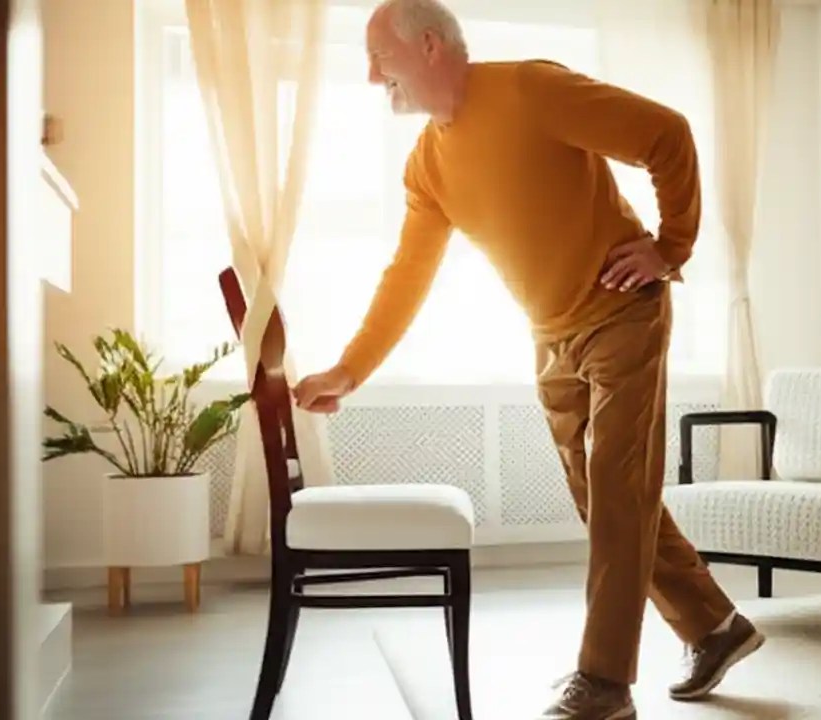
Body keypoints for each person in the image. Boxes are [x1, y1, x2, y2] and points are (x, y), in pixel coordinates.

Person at [292, 0, 764, 716]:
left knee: (614, 485)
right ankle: (715, 626)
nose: (368, 77)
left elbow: (667, 134)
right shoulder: (427, 165)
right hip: (550, 336)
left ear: (427, 46)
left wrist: (672, 247)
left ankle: (605, 681)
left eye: (378, 58)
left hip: (621, 315)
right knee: (604, 494)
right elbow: (407, 277)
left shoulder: (528, 90)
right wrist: (350, 370)